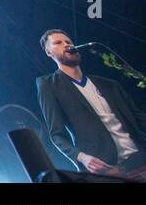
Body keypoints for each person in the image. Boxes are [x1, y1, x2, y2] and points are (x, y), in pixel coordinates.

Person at [36, 29, 146, 175]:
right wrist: (82, 157)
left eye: (68, 42)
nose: (66, 45)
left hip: (139, 160)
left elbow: (139, 118)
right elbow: (57, 134)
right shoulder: (49, 85)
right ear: (49, 52)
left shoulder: (109, 84)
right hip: (108, 170)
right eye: (58, 42)